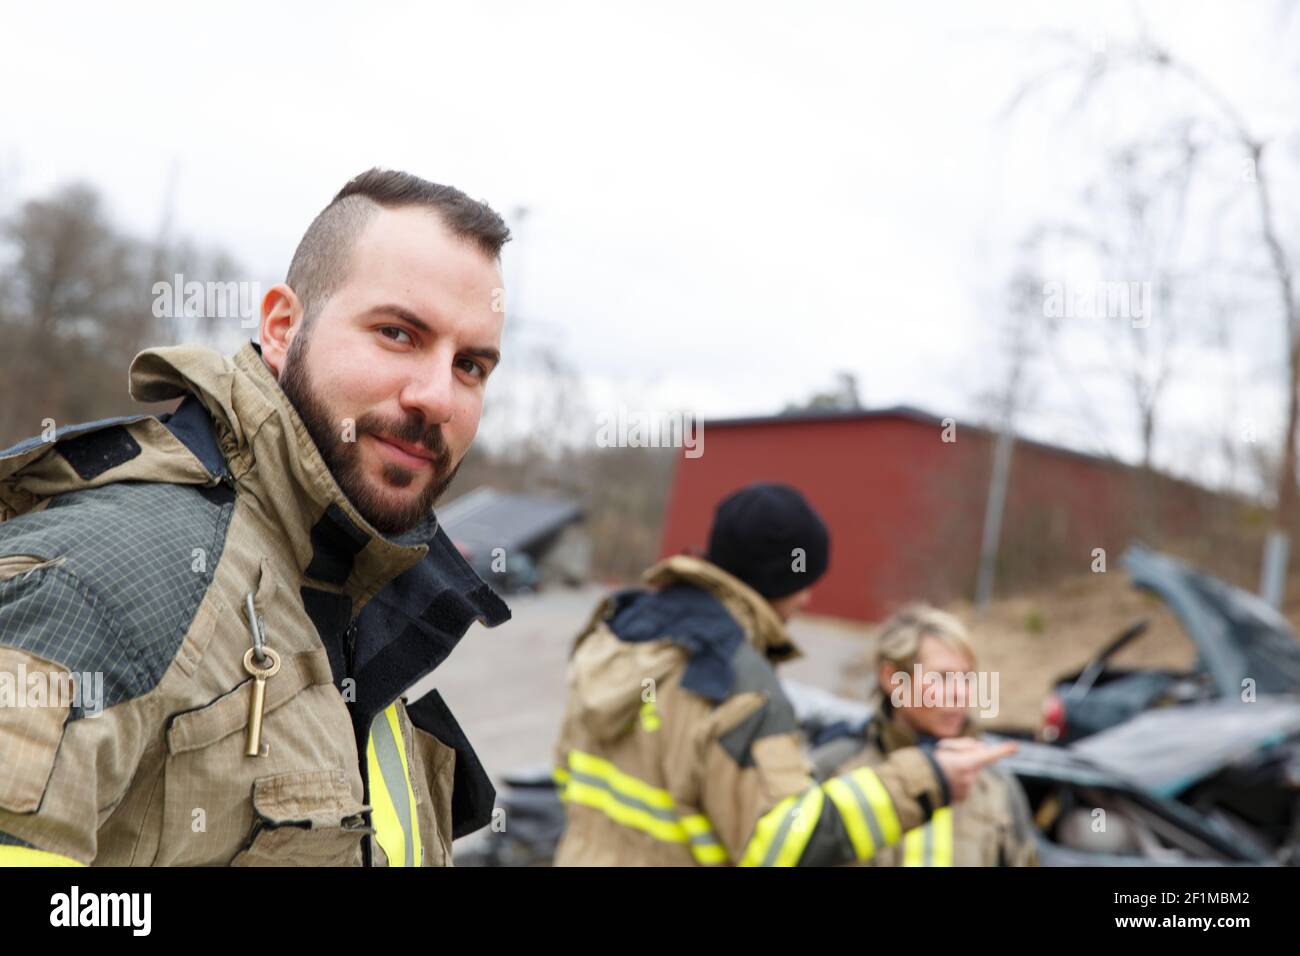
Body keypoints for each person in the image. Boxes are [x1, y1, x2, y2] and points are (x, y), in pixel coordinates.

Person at [0, 168, 512, 866]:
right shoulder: (100, 579)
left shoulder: (354, 581)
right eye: (398, 333)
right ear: (282, 326)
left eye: (471, 366)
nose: (437, 398)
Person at [551, 482, 1016, 865]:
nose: (807, 599)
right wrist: (926, 778)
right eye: (804, 582)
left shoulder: (617, 629)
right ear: (779, 580)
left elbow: (568, 775)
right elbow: (789, 845)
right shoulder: (740, 684)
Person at [812, 604, 1038, 866]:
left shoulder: (995, 786)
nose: (960, 694)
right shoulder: (834, 770)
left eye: (966, 678)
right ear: (893, 678)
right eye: (942, 677)